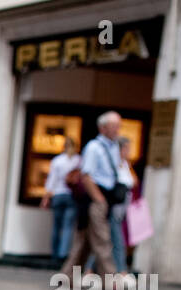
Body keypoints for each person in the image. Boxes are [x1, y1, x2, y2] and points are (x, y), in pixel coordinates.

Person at [60, 111, 122, 280]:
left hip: (105, 199)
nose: (118, 129)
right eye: (114, 126)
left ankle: (67, 276)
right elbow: (86, 175)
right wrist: (99, 199)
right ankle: (110, 278)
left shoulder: (114, 147)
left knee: (84, 242)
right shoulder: (94, 148)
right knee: (102, 240)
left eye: (118, 126)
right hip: (95, 200)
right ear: (102, 128)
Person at [40, 136, 79, 265]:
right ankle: (63, 254)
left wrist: (46, 197)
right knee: (67, 226)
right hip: (71, 196)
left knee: (57, 226)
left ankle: (55, 254)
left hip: (58, 195)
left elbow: (52, 180)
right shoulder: (78, 161)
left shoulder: (57, 161)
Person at [109, 134, 136, 271]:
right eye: (127, 149)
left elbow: (134, 181)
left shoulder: (125, 164)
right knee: (117, 240)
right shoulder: (113, 163)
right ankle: (122, 270)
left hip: (123, 206)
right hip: (115, 206)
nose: (129, 152)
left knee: (108, 239)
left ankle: (90, 269)